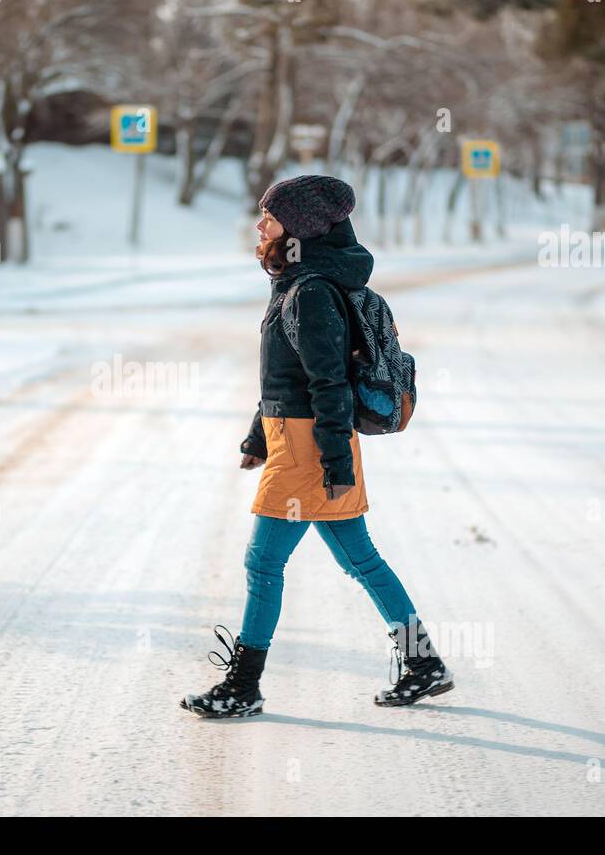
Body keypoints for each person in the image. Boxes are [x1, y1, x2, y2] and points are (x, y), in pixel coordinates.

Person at [180, 175, 453, 718]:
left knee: (262, 563)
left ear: (300, 226)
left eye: (270, 216)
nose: (260, 225)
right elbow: (288, 378)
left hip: (310, 448)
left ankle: (244, 684)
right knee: (362, 559)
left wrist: (333, 462)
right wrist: (260, 435)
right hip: (300, 441)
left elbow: (328, 384)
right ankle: (424, 664)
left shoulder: (312, 292)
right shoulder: (299, 282)